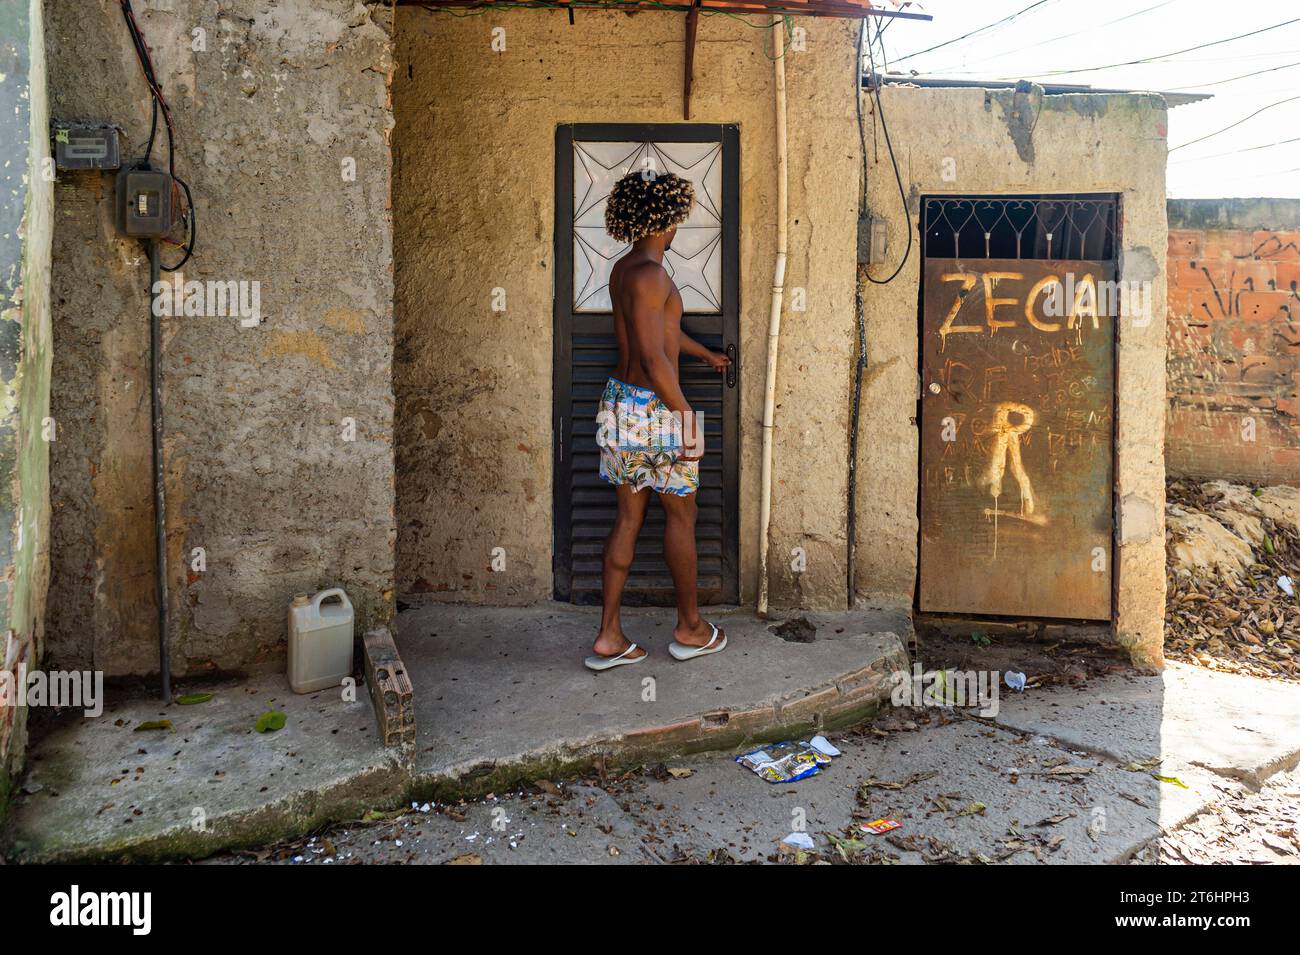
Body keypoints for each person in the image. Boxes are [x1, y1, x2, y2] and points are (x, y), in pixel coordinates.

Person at [584, 170, 730, 671]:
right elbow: (653, 358)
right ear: (666, 219)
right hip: (655, 409)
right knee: (681, 515)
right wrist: (687, 419)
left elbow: (659, 333)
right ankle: (690, 629)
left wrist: (704, 353)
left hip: (621, 403)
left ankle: (609, 636)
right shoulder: (652, 276)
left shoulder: (628, 270)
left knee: (628, 516)